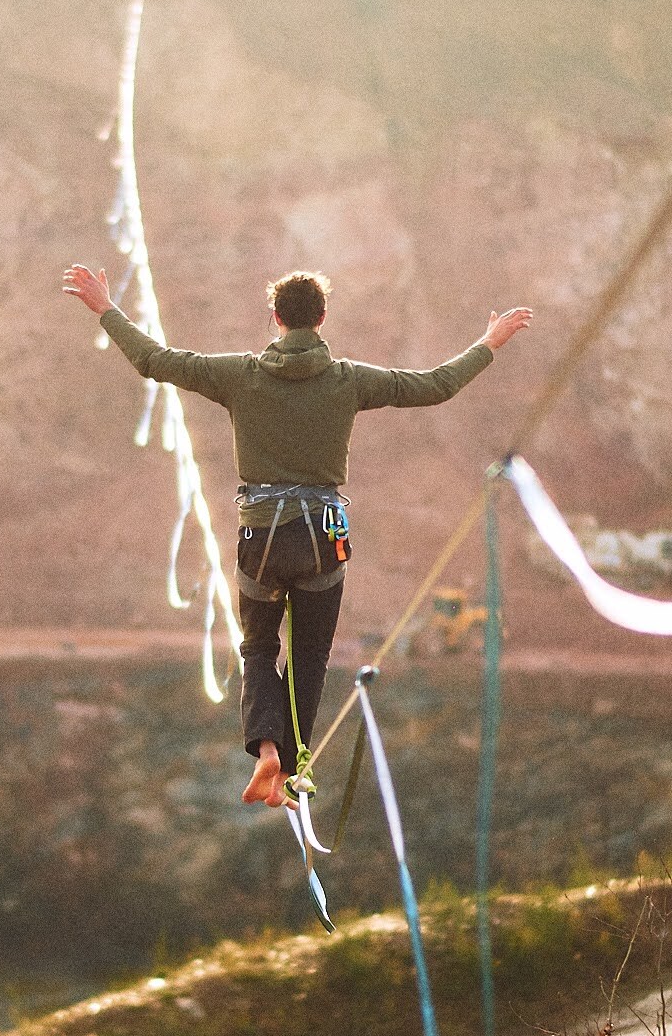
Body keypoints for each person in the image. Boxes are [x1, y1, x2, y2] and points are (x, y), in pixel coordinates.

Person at [64, 264, 531, 808]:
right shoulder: (348, 379)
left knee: (259, 646)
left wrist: (106, 308)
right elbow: (434, 386)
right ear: (323, 318)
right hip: (322, 537)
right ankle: (292, 767)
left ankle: (266, 750)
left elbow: (156, 361)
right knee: (309, 655)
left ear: (276, 318)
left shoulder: (240, 375)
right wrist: (488, 342)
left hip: (260, 538)